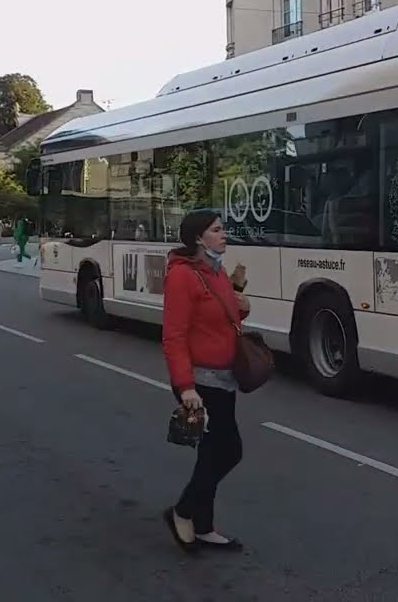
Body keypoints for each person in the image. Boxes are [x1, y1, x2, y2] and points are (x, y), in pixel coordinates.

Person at [160, 209, 251, 553]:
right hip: (201, 381)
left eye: (223, 229)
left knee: (212, 453)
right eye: (216, 230)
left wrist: (241, 295)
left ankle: (204, 527)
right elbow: (174, 336)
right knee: (229, 450)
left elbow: (225, 316)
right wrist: (185, 387)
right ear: (199, 238)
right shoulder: (182, 277)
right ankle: (182, 511)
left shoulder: (217, 271)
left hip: (224, 376)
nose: (224, 234)